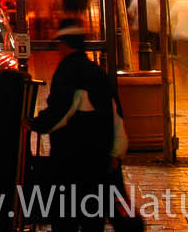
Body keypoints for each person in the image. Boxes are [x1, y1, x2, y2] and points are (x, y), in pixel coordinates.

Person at [31, 17, 122, 232]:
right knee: (93, 215)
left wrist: (37, 124)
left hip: (70, 157)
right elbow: (116, 114)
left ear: (65, 44)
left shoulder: (67, 71)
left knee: (66, 215)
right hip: (98, 158)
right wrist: (115, 153)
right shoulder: (98, 72)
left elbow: (62, 110)